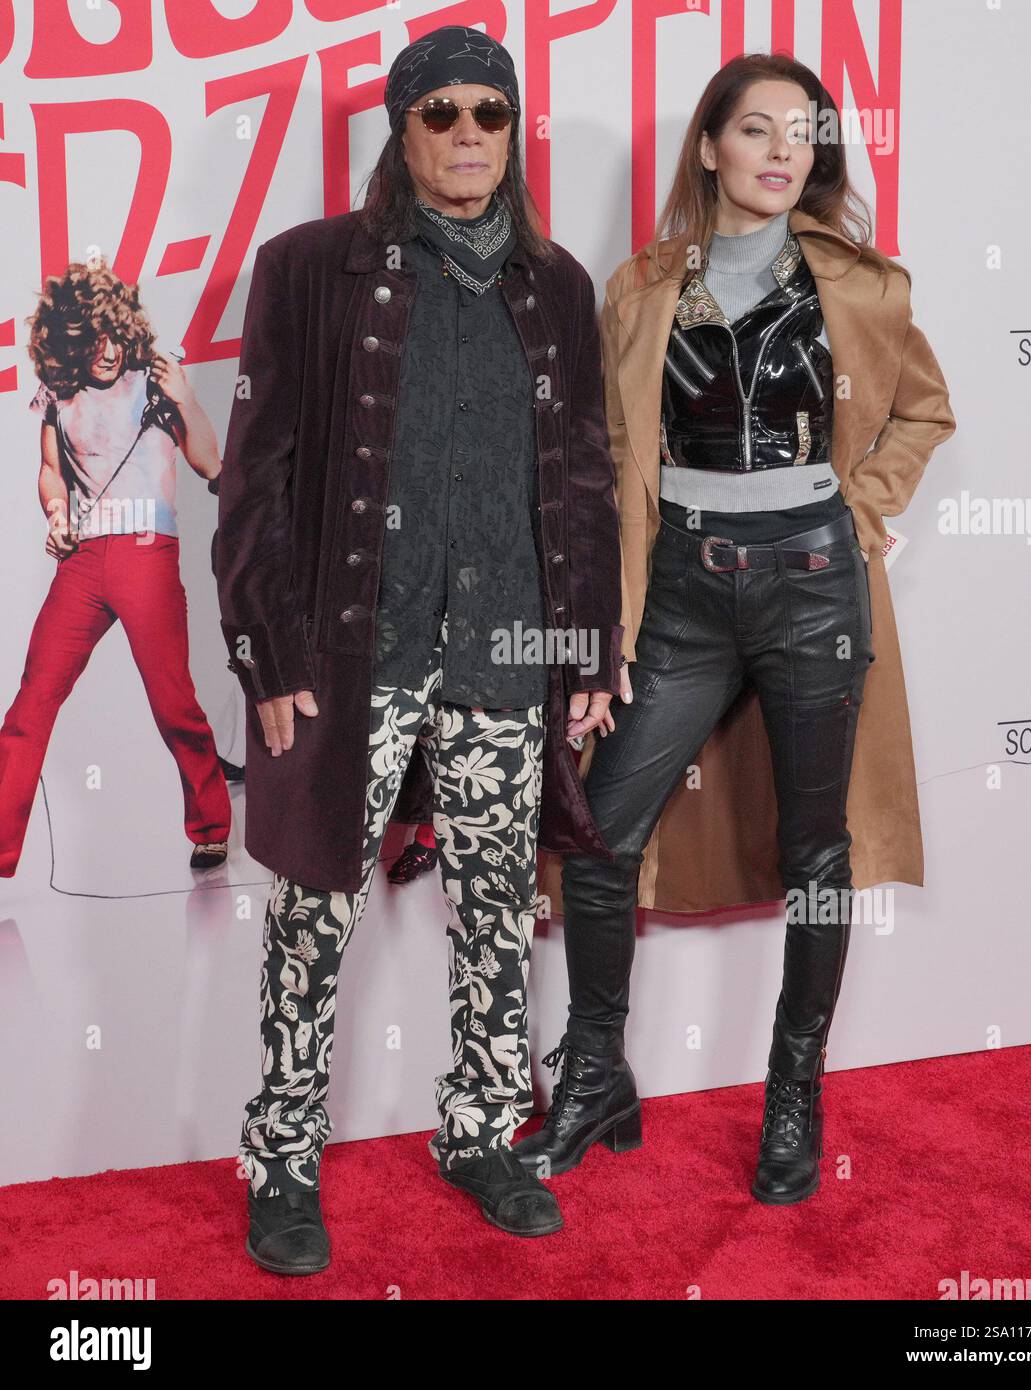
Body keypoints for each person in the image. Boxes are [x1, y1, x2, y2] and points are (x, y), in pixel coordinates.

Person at [217, 25, 624, 1274]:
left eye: (487, 114)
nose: (464, 135)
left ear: (511, 130)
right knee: (313, 913)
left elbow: (584, 480)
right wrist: (267, 648)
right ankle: (282, 1153)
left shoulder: (555, 286)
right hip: (350, 653)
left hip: (508, 651)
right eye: (438, 112)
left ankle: (479, 1127)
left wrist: (588, 655)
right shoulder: (306, 271)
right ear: (401, 129)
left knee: (499, 909)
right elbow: (255, 479)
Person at [515, 53, 956, 1206]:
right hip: (681, 592)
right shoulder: (641, 284)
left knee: (819, 855)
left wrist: (853, 508)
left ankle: (792, 1092)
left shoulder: (863, 287)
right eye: (754, 130)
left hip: (814, 583)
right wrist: (603, 625)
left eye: (800, 134)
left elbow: (921, 410)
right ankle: (598, 1072)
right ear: (708, 146)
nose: (778, 152)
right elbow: (611, 457)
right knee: (599, 837)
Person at [0, 260, 230, 876]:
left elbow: (211, 464)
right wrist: (55, 514)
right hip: (82, 562)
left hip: (146, 554)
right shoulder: (60, 392)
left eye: (111, 334)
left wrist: (184, 396)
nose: (104, 351)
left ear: (127, 328)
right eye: (89, 337)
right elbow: (51, 471)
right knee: (31, 703)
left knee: (173, 701)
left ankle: (210, 826)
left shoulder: (155, 384)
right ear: (71, 337)